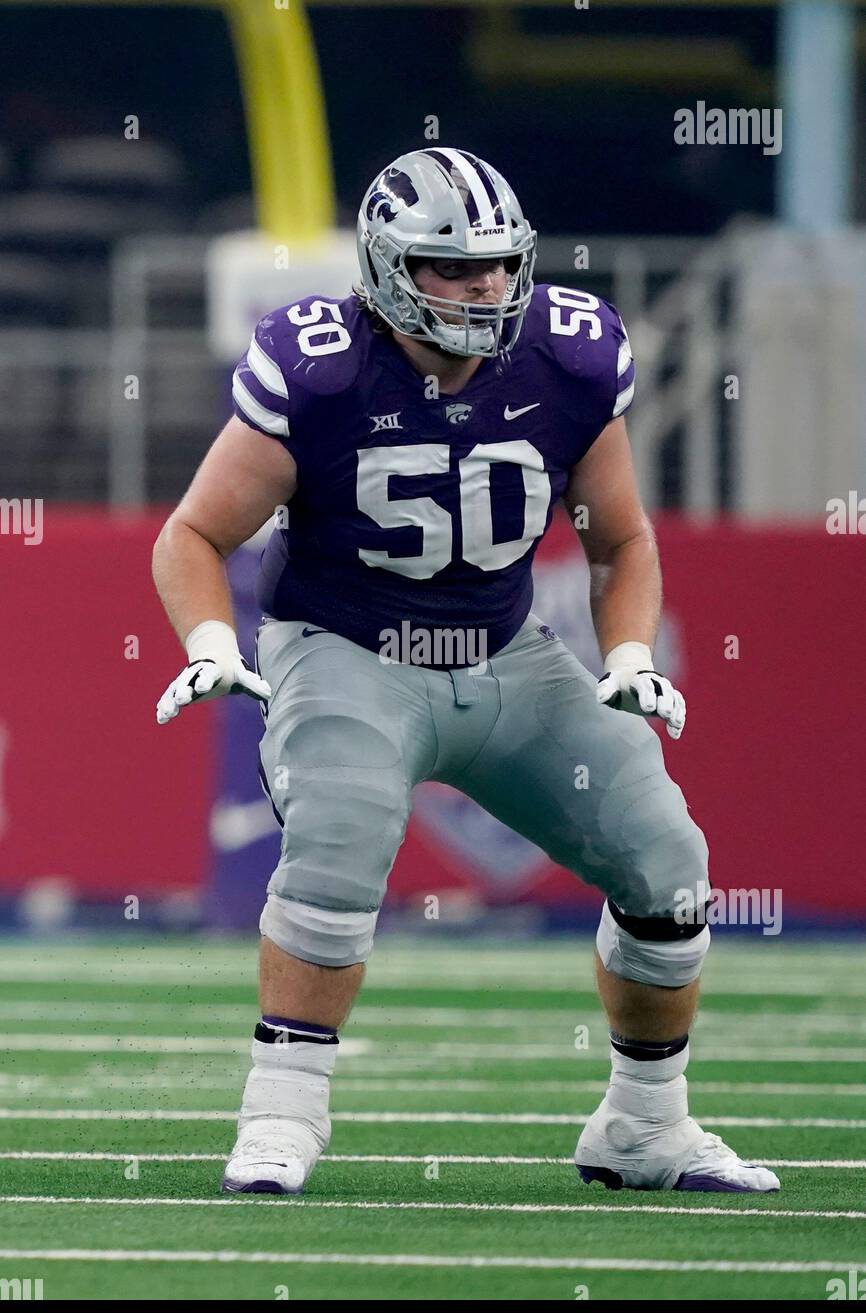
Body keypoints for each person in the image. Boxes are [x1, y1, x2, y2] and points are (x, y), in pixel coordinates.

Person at [152, 147, 779, 1197]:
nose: (483, 286)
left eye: (496, 263)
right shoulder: (321, 365)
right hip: (348, 652)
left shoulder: (569, 354)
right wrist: (214, 645)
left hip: (506, 658)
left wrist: (625, 655)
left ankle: (641, 1127)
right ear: (390, 267)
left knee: (665, 857)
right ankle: (279, 1117)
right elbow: (192, 534)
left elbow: (620, 539)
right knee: (339, 838)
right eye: (452, 268)